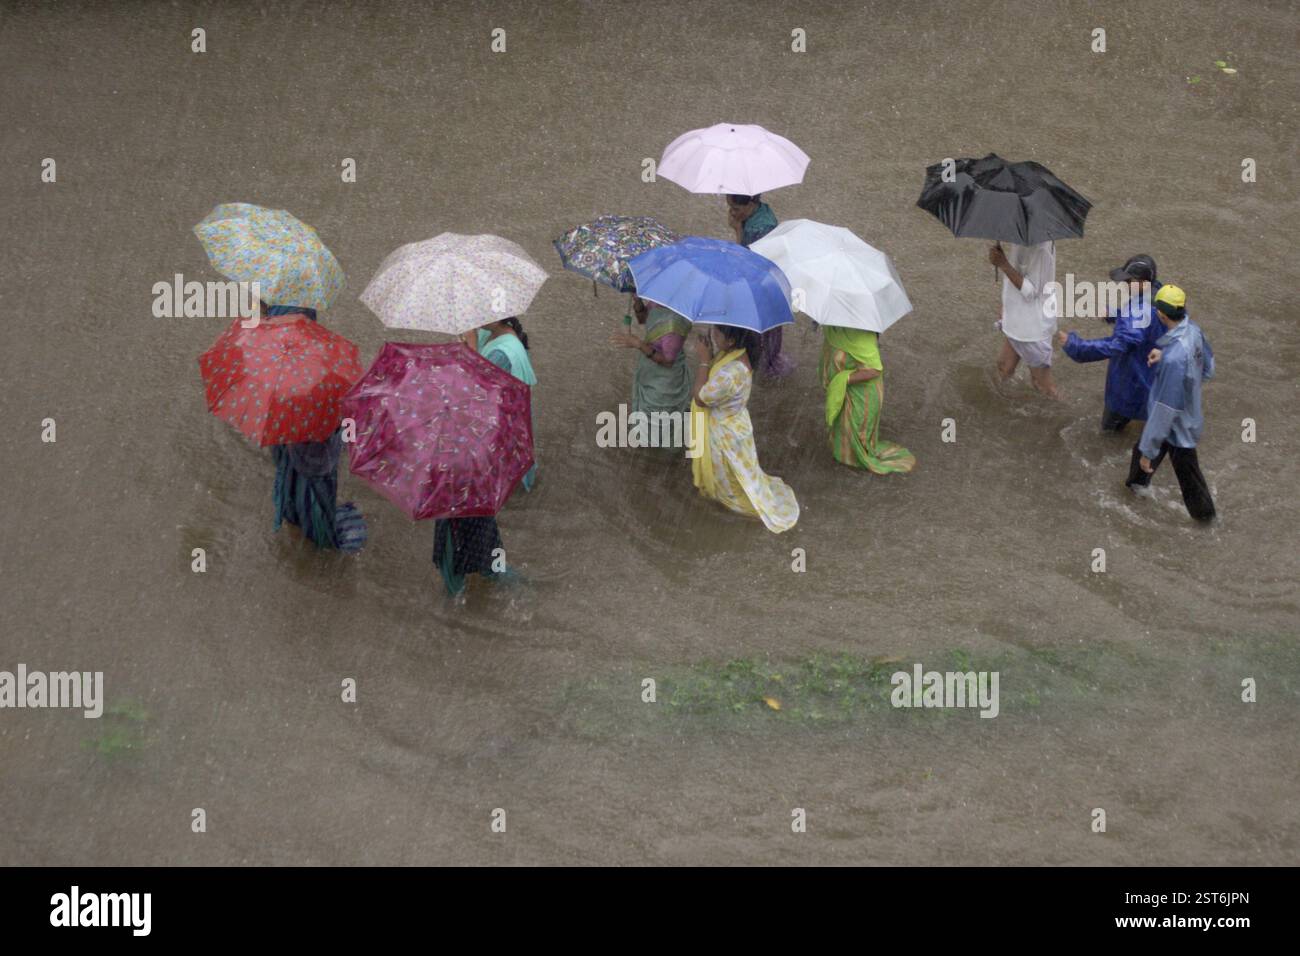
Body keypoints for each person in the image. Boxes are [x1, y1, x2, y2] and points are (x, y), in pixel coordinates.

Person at [430, 316, 535, 596]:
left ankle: (457, 595)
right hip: (480, 475)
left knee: (456, 547)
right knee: (483, 537)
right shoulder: (500, 347)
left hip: (463, 480)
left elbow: (476, 392)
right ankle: (485, 577)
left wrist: (470, 351)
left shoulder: (493, 361)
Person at [263, 303, 366, 553]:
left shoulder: (278, 378)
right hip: (317, 461)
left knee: (295, 488)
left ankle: (297, 518)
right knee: (315, 499)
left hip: (300, 454)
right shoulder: (331, 374)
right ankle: (316, 531)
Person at [688, 324, 799, 532]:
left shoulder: (730, 373)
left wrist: (704, 361)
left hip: (724, 435)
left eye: (717, 332)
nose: (713, 333)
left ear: (731, 341)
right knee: (742, 472)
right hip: (736, 425)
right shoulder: (740, 355)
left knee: (729, 481)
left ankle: (739, 514)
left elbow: (701, 397)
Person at [1125, 285, 1216, 522]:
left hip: (1177, 424)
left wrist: (1149, 451)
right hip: (1186, 412)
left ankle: (1206, 520)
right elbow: (1207, 368)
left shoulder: (1175, 360)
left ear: (1161, 315)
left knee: (1188, 475)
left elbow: (1164, 411)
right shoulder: (1192, 330)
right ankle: (1135, 488)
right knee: (1142, 452)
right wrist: (1166, 356)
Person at [1059, 255, 1164, 432]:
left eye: (1128, 281)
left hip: (1130, 384)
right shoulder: (1162, 298)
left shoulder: (1138, 309)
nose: (1125, 285)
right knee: (1151, 428)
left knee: (1109, 433)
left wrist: (1075, 346)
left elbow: (1119, 344)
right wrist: (1115, 314)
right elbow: (1147, 324)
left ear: (1140, 282)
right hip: (1156, 380)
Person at [818, 324, 915, 474]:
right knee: (842, 425)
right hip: (846, 391)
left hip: (863, 394)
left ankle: (857, 458)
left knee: (855, 428)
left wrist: (844, 379)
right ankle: (844, 454)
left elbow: (874, 370)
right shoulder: (833, 328)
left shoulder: (863, 338)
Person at [609, 296, 693, 447]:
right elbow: (644, 319)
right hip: (650, 369)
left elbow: (668, 361)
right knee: (648, 418)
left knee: (659, 417)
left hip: (664, 380)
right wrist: (638, 302)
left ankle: (659, 448)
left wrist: (638, 344)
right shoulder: (658, 300)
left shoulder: (675, 323)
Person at [728, 193, 792, 378]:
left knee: (763, 326)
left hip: (764, 283)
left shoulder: (760, 227)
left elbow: (746, 260)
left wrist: (738, 230)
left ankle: (766, 364)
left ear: (750, 204)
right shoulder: (761, 211)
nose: (731, 212)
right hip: (766, 278)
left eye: (736, 209)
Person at [989, 240, 1060, 399]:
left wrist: (1003, 264)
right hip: (1017, 320)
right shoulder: (1022, 239)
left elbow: (1031, 291)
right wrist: (1006, 306)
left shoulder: (1041, 248)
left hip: (1032, 329)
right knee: (1004, 367)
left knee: (1043, 387)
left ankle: (1063, 418)